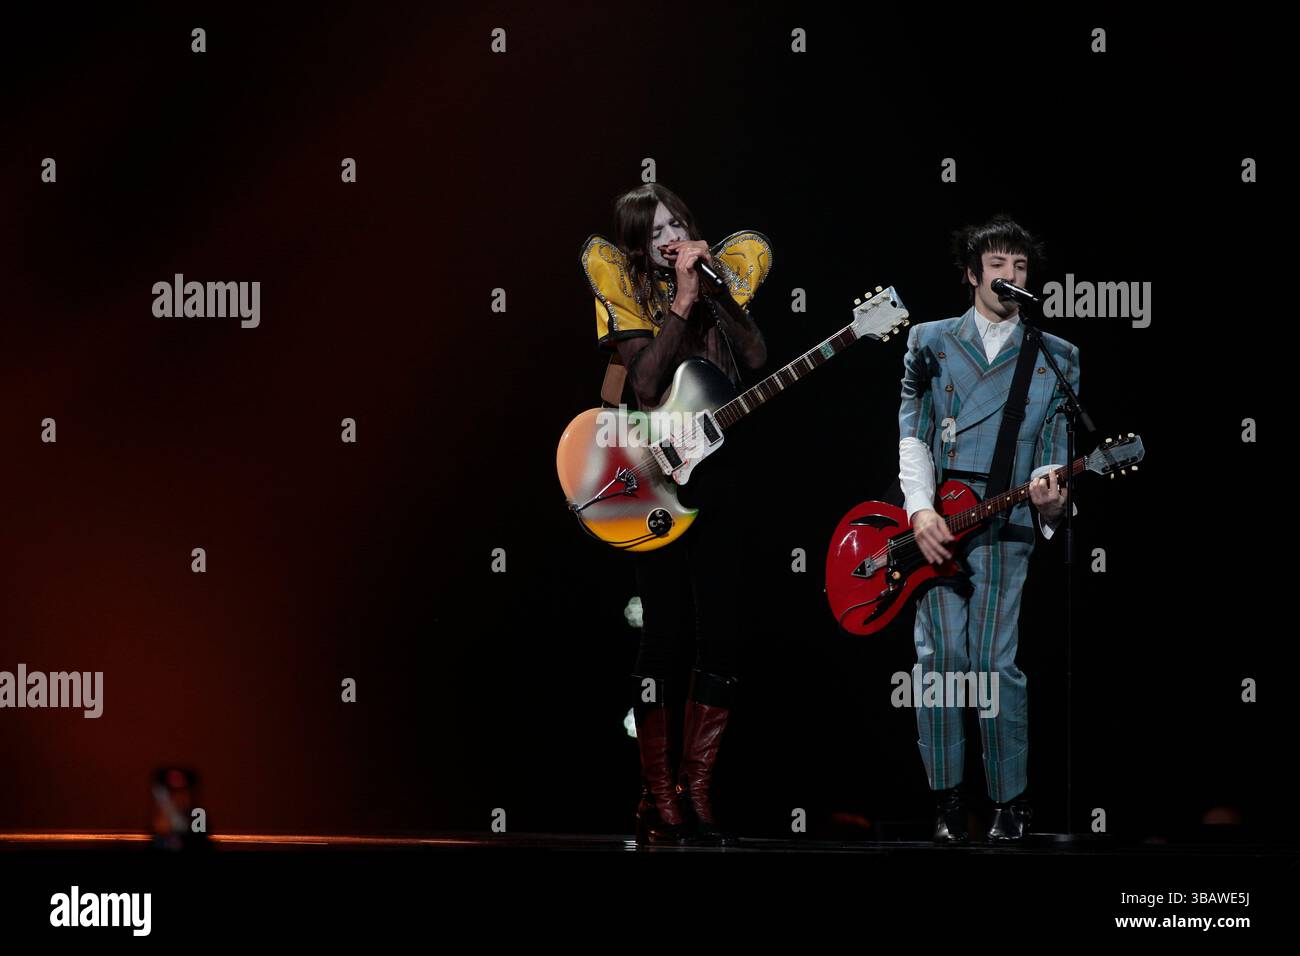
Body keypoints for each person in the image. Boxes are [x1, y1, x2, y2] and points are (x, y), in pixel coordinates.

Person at [579, 183, 771, 843]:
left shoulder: (717, 288)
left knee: (720, 635)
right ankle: (656, 795)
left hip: (719, 479)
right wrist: (683, 301)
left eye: (677, 222)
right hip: (654, 482)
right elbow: (646, 382)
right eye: (655, 229)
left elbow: (754, 358)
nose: (670, 235)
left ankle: (698, 791)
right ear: (637, 243)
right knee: (662, 635)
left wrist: (713, 291)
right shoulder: (629, 296)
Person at [897, 216, 1079, 843]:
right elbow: (913, 433)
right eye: (996, 264)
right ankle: (948, 799)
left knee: (995, 662)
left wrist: (1053, 504)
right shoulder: (930, 341)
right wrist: (919, 511)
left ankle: (1012, 802)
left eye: (1021, 267)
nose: (1009, 276)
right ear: (973, 274)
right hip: (940, 519)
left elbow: (1054, 451)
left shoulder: (1056, 357)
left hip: (1008, 518)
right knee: (941, 657)